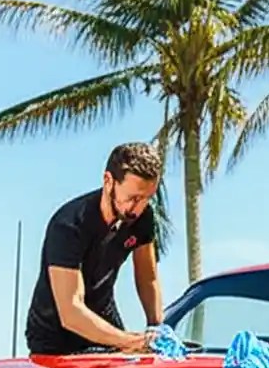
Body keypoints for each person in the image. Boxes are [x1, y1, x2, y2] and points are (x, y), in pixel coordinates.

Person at [24, 142, 165, 355]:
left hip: (104, 321)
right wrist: (130, 341)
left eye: (147, 198)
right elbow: (71, 311)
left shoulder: (143, 218)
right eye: (133, 198)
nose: (138, 208)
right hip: (54, 339)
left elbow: (147, 278)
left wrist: (156, 328)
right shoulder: (69, 225)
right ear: (108, 181)